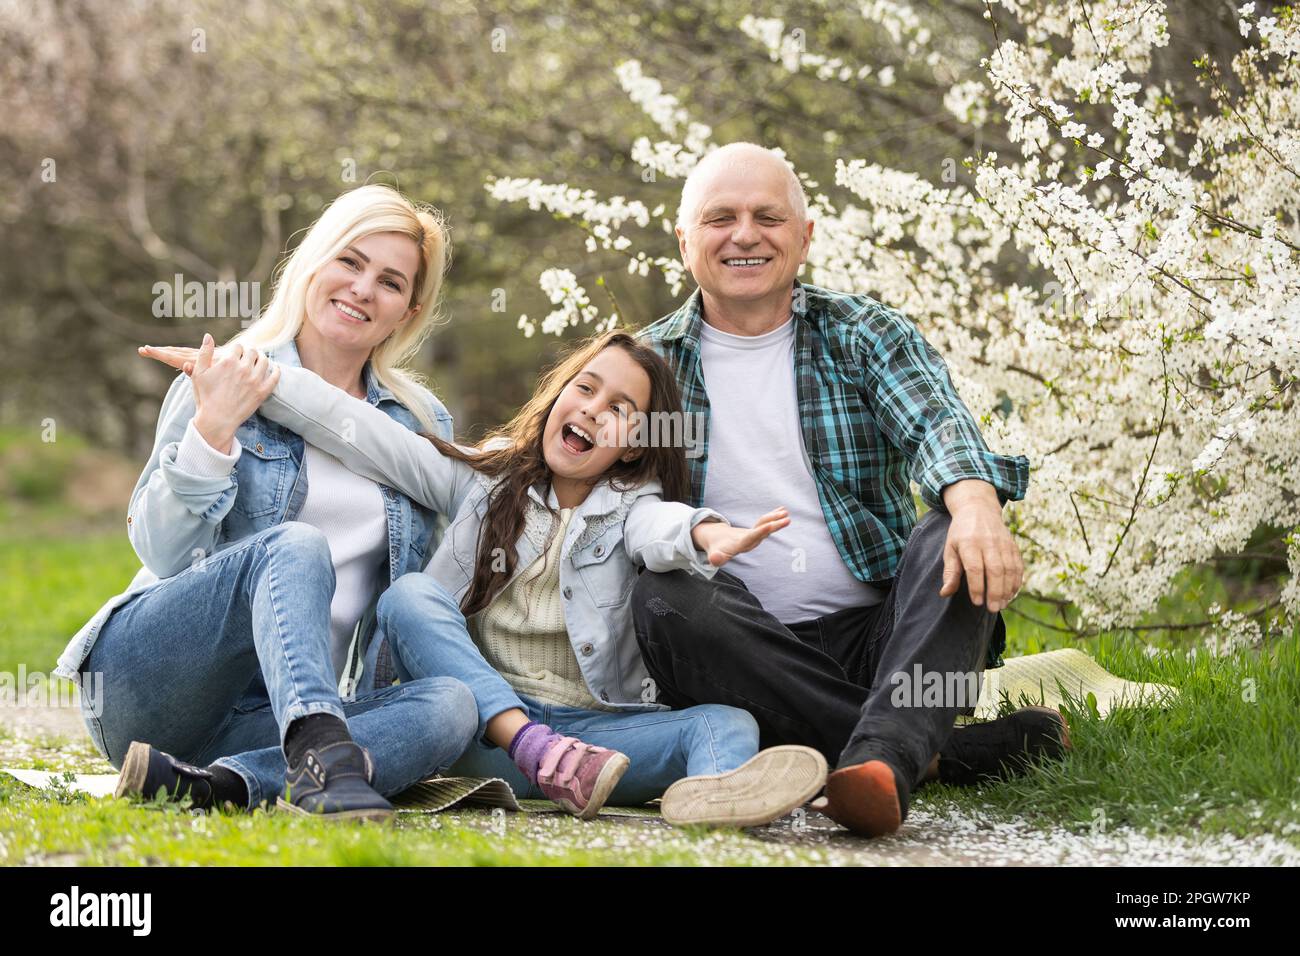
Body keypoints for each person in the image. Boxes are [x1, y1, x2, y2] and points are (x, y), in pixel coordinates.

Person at [143, 330, 830, 827]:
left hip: (594, 746)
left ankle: (716, 793)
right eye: (585, 387)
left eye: (620, 408)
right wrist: (248, 373)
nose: (593, 409)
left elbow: (667, 530)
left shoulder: (635, 511)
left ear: (639, 443)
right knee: (411, 596)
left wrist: (712, 535)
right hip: (484, 736)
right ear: (558, 395)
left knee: (722, 720)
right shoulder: (480, 482)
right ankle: (535, 748)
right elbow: (357, 428)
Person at [631, 142, 1072, 838]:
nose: (745, 235)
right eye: (721, 218)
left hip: (885, 643)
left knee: (946, 530)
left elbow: (936, 423)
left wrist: (977, 502)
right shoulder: (646, 365)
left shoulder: (863, 334)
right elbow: (610, 504)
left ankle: (869, 752)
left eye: (767, 217)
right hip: (739, 652)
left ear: (804, 238)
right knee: (661, 591)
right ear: (685, 240)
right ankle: (906, 753)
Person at [56, 185, 478, 822]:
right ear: (314, 263)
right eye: (351, 262)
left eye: (390, 282)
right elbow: (162, 552)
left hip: (267, 722)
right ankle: (321, 754)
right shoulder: (222, 373)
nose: (364, 289)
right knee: (294, 546)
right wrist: (213, 433)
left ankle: (222, 785)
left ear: (406, 312)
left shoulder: (419, 423)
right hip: (152, 686)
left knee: (452, 705)